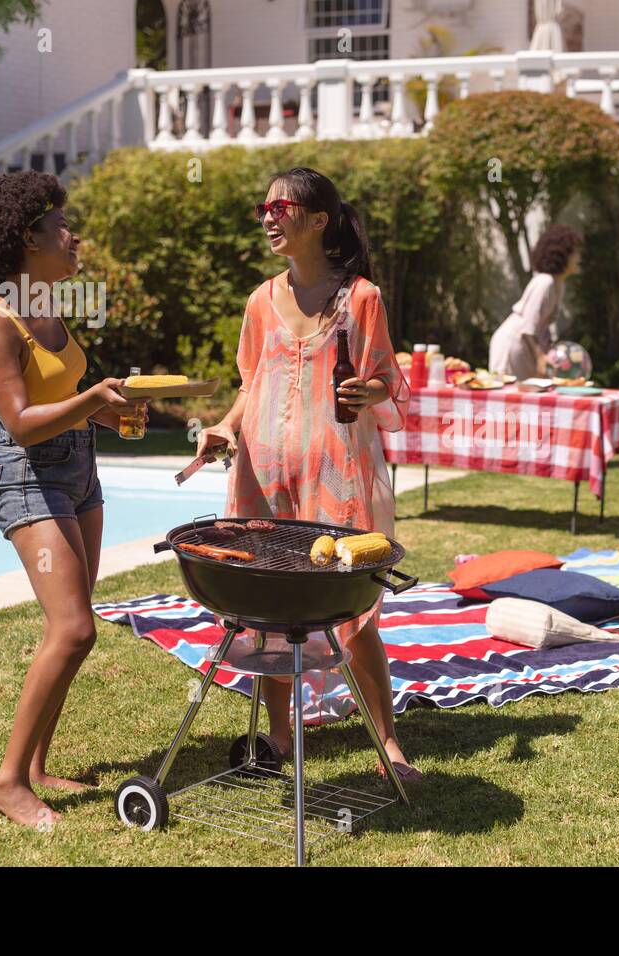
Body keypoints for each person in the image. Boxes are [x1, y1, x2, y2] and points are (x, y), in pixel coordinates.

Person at [195, 167, 420, 780]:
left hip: (335, 471)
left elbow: (386, 379)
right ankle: (279, 736)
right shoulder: (260, 300)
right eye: (263, 208)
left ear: (319, 220)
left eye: (281, 208)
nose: (268, 218)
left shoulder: (361, 297)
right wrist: (225, 426)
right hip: (262, 473)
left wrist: (368, 390)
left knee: (352, 606)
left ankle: (389, 745)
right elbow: (252, 382)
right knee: (271, 606)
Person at [0, 171, 147, 827]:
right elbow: (19, 420)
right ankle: (9, 783)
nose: (74, 236)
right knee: (73, 629)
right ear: (26, 238)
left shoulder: (46, 307)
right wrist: (94, 396)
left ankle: (37, 766)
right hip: (29, 476)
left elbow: (57, 400)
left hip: (78, 472)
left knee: (68, 628)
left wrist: (107, 415)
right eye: (61, 226)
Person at [488, 224, 583, 380]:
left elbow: (542, 327)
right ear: (562, 255)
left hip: (526, 346)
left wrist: (549, 354)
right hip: (512, 345)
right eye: (575, 252)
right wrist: (540, 358)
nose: (579, 257)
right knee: (509, 391)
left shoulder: (559, 285)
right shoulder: (544, 282)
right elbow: (528, 325)